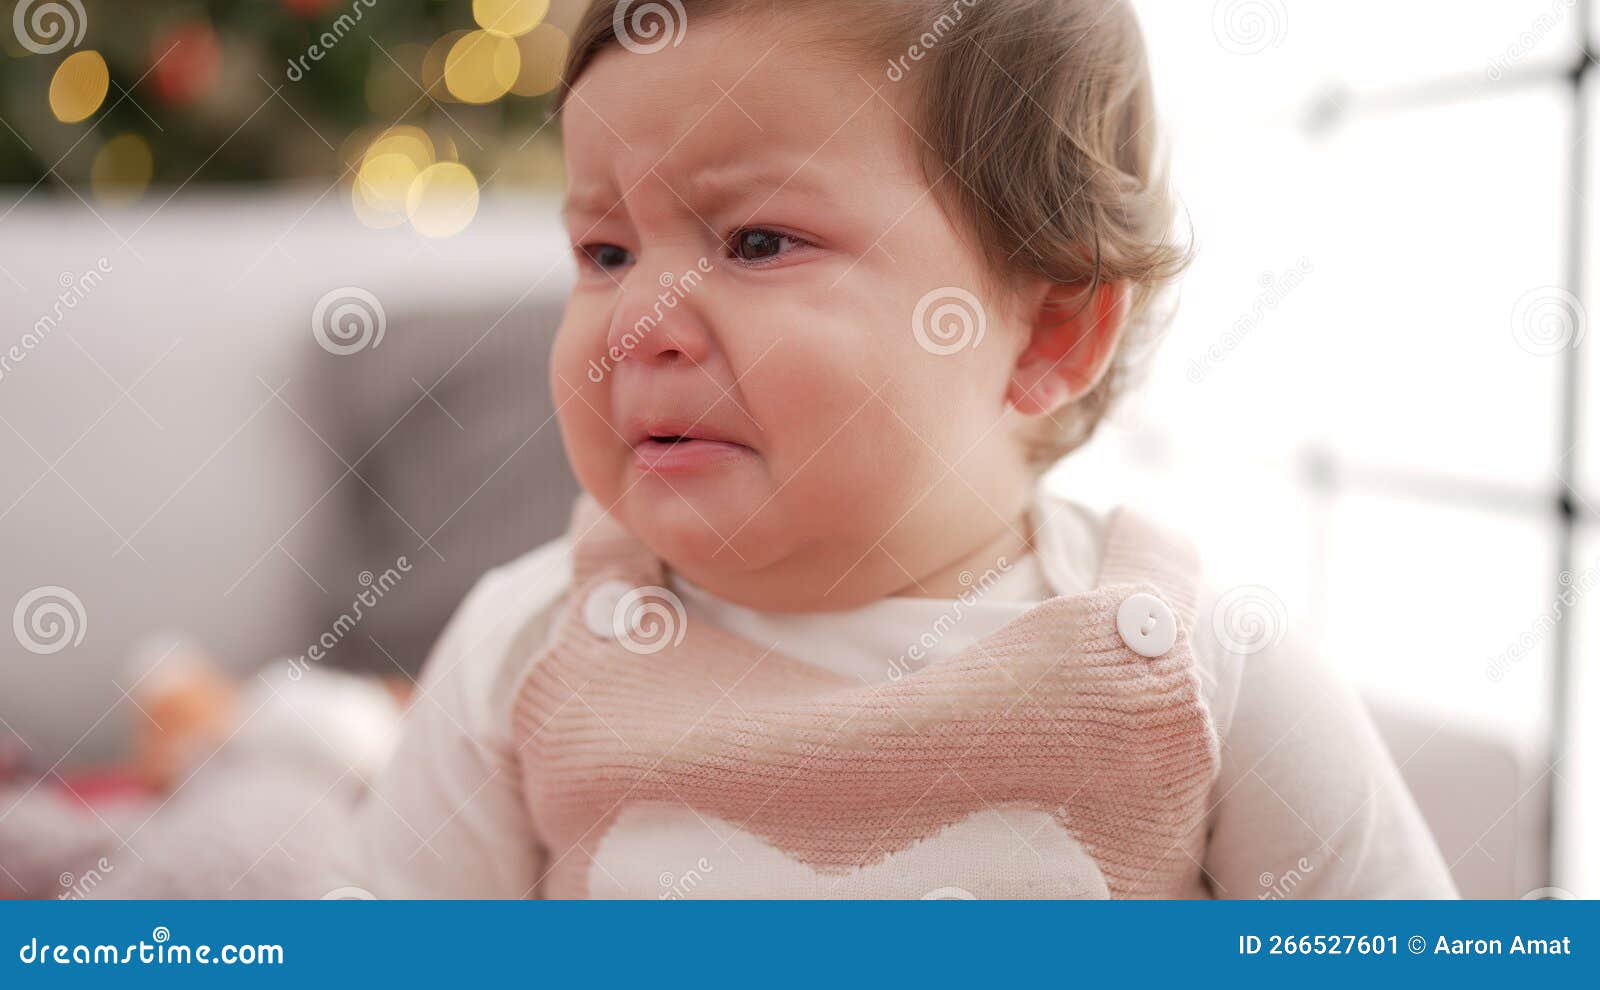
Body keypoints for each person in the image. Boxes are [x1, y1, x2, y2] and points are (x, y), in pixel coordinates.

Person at [327, 0, 1456, 899]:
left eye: (757, 241)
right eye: (605, 250)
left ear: (1047, 332)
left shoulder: (1203, 670)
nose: (634, 322)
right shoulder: (521, 652)